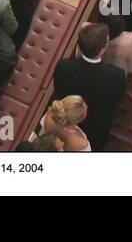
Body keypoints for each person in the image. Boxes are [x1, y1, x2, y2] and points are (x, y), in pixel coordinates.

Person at [53, 23, 127, 151]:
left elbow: (58, 87)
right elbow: (118, 97)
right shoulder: (117, 76)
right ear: (102, 50)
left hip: (64, 120)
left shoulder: (64, 66)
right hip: (96, 131)